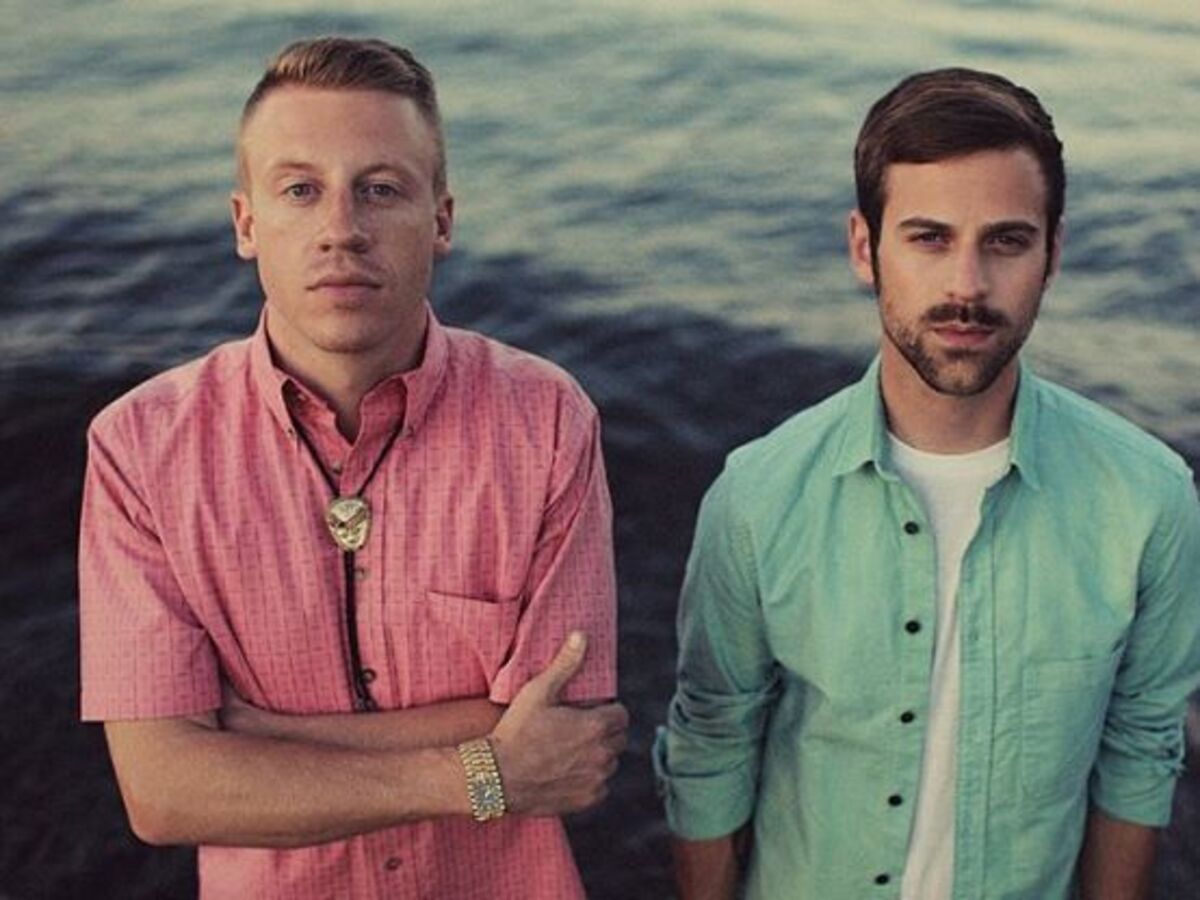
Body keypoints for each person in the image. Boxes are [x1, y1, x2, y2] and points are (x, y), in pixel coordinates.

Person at [79, 36, 626, 899]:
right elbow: (162, 793)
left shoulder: (546, 419)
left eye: (381, 189)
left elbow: (566, 742)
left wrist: (249, 737)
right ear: (246, 223)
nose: (341, 229)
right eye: (301, 190)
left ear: (441, 220)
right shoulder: (139, 448)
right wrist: (484, 769)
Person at [654, 67, 1200, 899]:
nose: (966, 287)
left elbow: (1140, 749)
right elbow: (711, 748)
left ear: (1053, 254)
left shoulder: (1148, 500)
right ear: (864, 248)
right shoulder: (757, 497)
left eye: (1006, 241)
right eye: (929, 238)